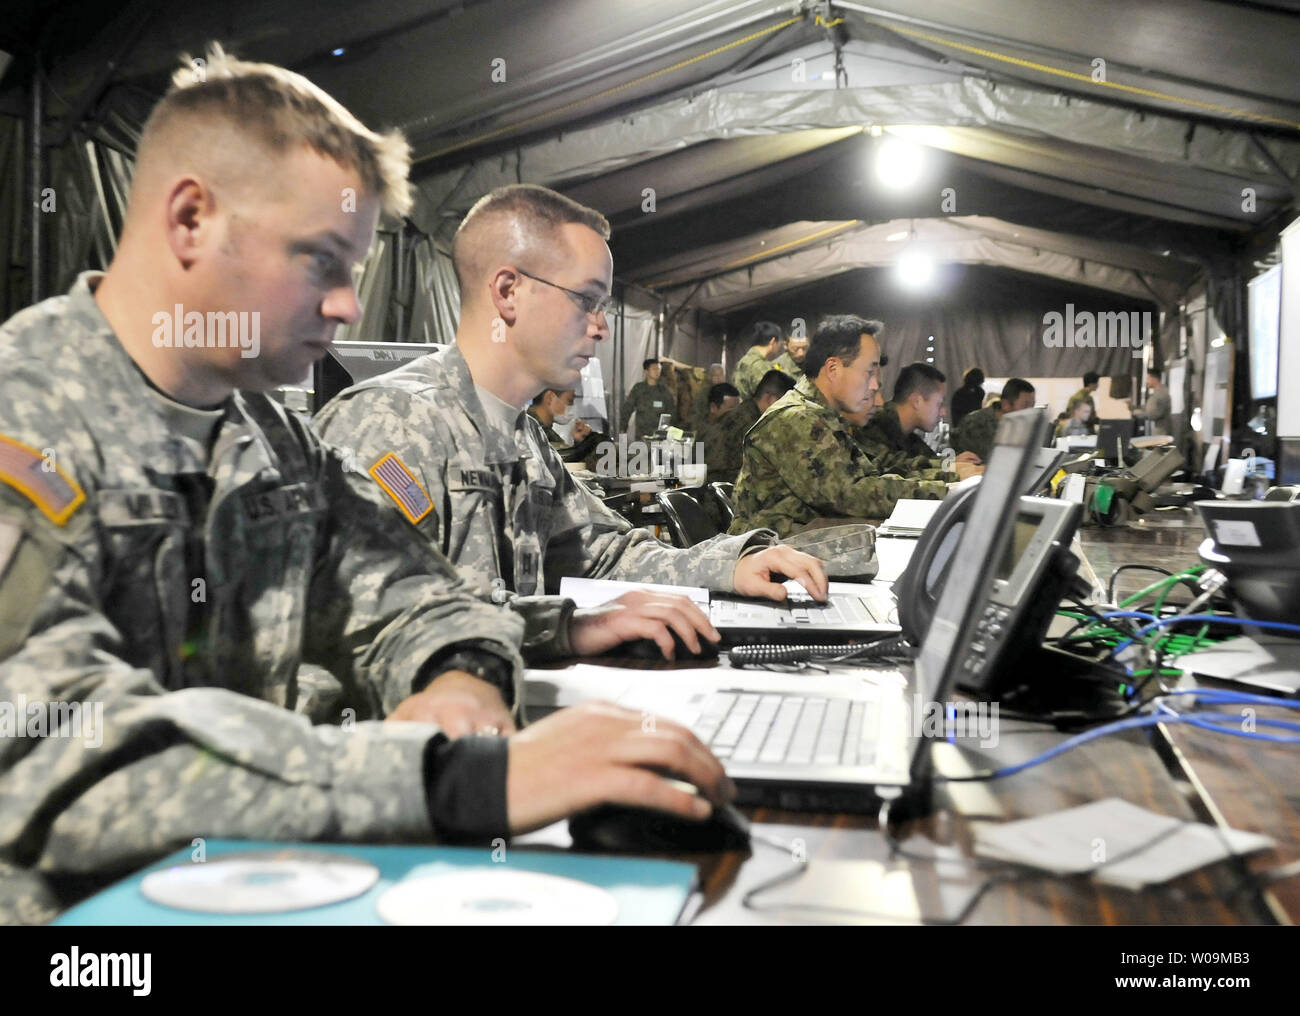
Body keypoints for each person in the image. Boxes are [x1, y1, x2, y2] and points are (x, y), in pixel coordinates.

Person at [0, 48, 736, 924]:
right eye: (321, 262)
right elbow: (47, 741)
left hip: (252, 887)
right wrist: (451, 780)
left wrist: (457, 673)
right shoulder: (27, 416)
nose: (349, 306)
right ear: (191, 219)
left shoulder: (268, 437)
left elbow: (414, 591)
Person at [313, 183, 829, 652]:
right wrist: (566, 627)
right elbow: (385, 623)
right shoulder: (390, 423)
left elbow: (602, 552)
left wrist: (730, 566)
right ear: (508, 291)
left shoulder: (523, 435)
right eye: (587, 300)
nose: (601, 327)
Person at [729, 315, 948, 537]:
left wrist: (946, 482)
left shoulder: (823, 416)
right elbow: (851, 494)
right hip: (769, 556)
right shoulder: (796, 418)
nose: (873, 385)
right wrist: (945, 492)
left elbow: (874, 473)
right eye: (869, 372)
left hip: (800, 548)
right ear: (833, 368)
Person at [856, 361, 982, 478]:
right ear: (917, 401)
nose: (943, 412)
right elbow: (894, 469)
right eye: (939, 404)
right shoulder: (874, 425)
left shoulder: (907, 435)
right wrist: (952, 468)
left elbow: (923, 461)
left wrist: (954, 464)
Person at [952, 378, 1037, 461]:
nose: (1031, 411)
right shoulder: (975, 424)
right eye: (1025, 406)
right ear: (1005, 404)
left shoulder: (1023, 427)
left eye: (1032, 406)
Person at [695, 382, 741, 483]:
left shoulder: (735, 430)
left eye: (738, 409)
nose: (736, 413)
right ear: (713, 408)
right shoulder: (705, 434)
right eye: (731, 409)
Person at [620, 358, 676, 438]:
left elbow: (672, 413)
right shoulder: (638, 389)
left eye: (659, 369)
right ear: (646, 372)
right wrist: (623, 428)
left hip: (659, 437)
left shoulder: (664, 391)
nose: (657, 371)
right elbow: (627, 409)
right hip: (641, 436)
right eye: (654, 369)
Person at [731, 321, 786, 400]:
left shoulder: (743, 361)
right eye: (779, 343)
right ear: (773, 341)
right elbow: (769, 401)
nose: (779, 347)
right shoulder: (760, 366)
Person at [1129, 369, 1172, 436]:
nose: (1146, 382)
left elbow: (1153, 414)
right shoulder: (1157, 393)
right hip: (1159, 433)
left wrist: (1134, 413)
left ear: (1154, 379)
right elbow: (1148, 407)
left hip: (1162, 434)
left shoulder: (1161, 394)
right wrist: (1132, 408)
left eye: (1147, 379)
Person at [691, 363, 726, 429]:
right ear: (710, 377)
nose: (719, 378)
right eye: (716, 376)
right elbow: (697, 416)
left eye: (721, 375)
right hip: (708, 429)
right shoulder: (703, 394)